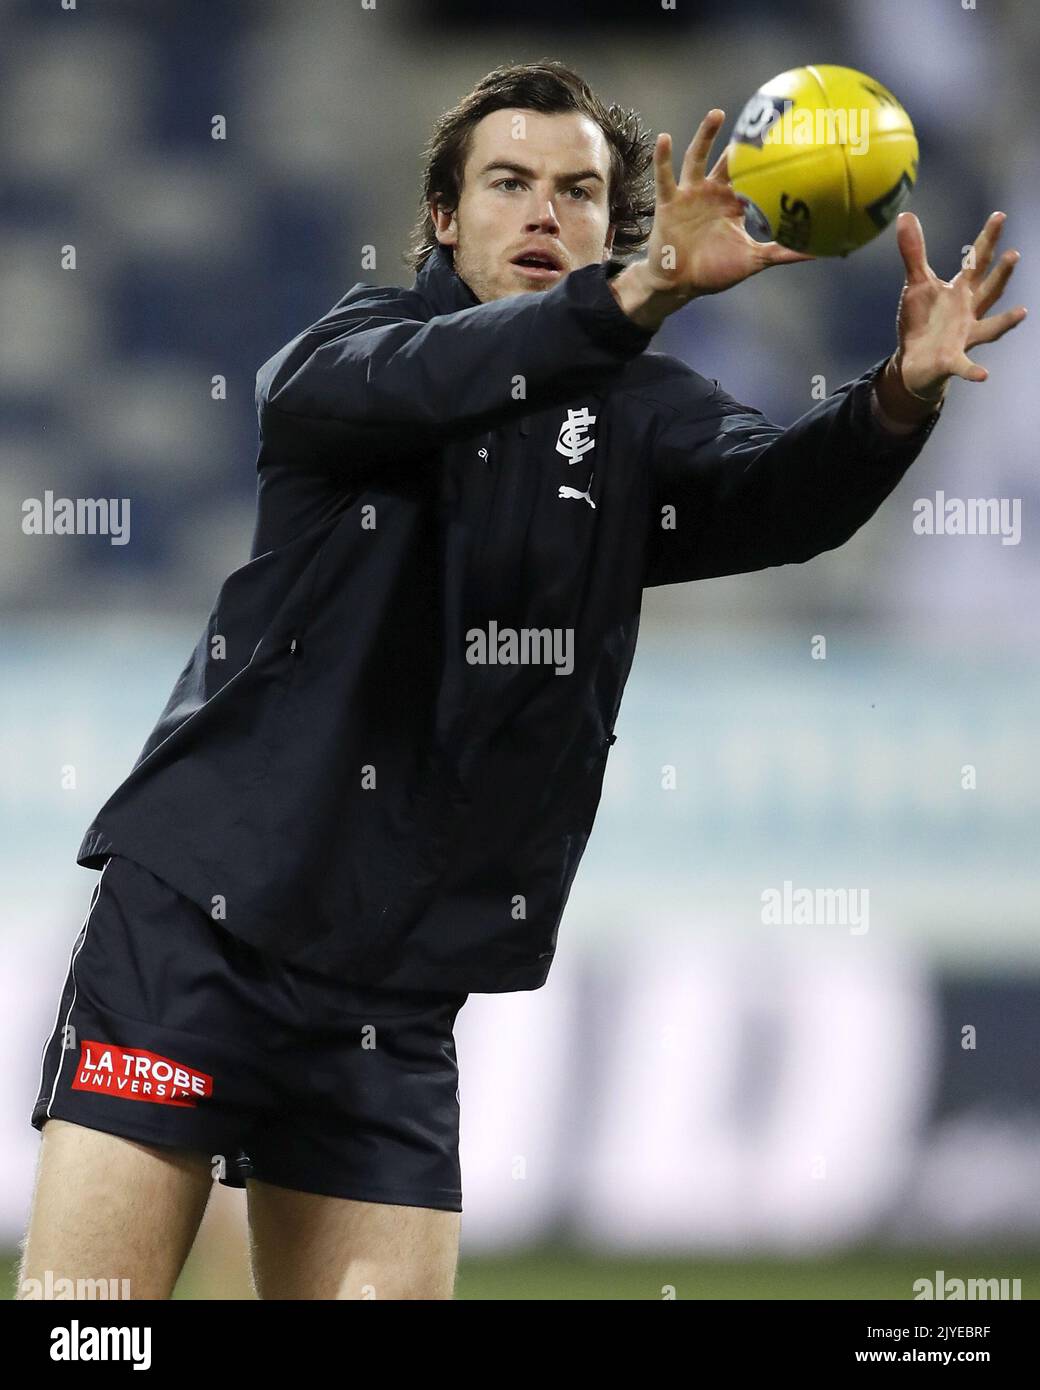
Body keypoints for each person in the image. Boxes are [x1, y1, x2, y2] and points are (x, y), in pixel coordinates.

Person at [18, 60, 1025, 1301]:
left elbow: (780, 500)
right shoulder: (351, 353)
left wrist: (896, 398)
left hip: (394, 994)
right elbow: (445, 378)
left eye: (578, 191)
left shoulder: (640, 415)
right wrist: (640, 293)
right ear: (442, 219)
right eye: (507, 183)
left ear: (613, 223)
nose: (544, 211)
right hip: (198, 933)